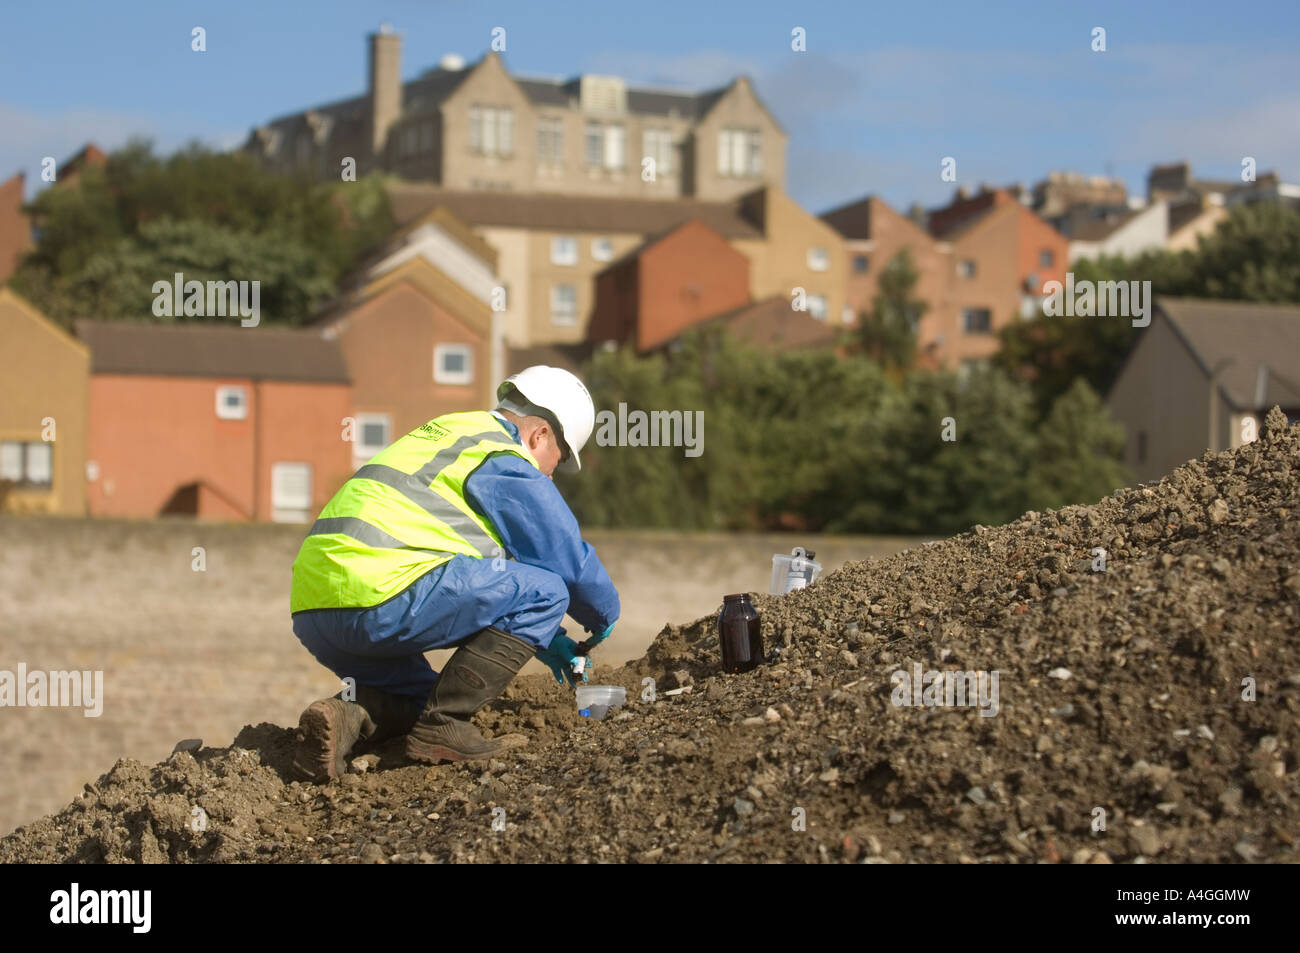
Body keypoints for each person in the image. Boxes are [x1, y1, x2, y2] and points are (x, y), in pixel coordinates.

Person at [287, 365, 620, 781]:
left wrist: (547, 638)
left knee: (424, 698)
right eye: (558, 459)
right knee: (550, 591)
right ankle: (444, 727)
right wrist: (603, 614)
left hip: (315, 610)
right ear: (540, 436)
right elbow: (562, 555)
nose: (551, 474)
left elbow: (481, 582)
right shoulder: (501, 454)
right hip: (379, 593)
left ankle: (342, 720)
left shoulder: (452, 431)